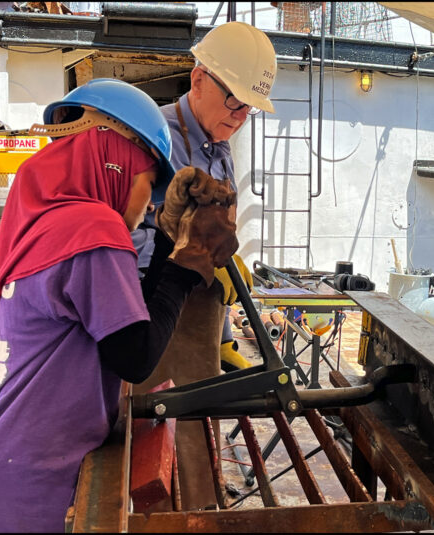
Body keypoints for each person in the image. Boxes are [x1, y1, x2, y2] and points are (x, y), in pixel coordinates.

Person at [0, 78, 239, 532]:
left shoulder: (47, 218)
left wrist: (166, 243)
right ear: (117, 162)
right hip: (28, 487)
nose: (148, 204)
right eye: (148, 182)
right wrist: (188, 267)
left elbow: (122, 320)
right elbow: (135, 356)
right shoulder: (93, 230)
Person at [132, 21, 278, 510]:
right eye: (233, 101)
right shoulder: (153, 136)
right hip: (154, 309)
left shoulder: (220, 146)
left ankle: (199, 517)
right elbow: (129, 238)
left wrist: (225, 334)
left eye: (249, 109)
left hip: (201, 318)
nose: (239, 117)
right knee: (155, 441)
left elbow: (218, 235)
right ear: (197, 80)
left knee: (199, 438)